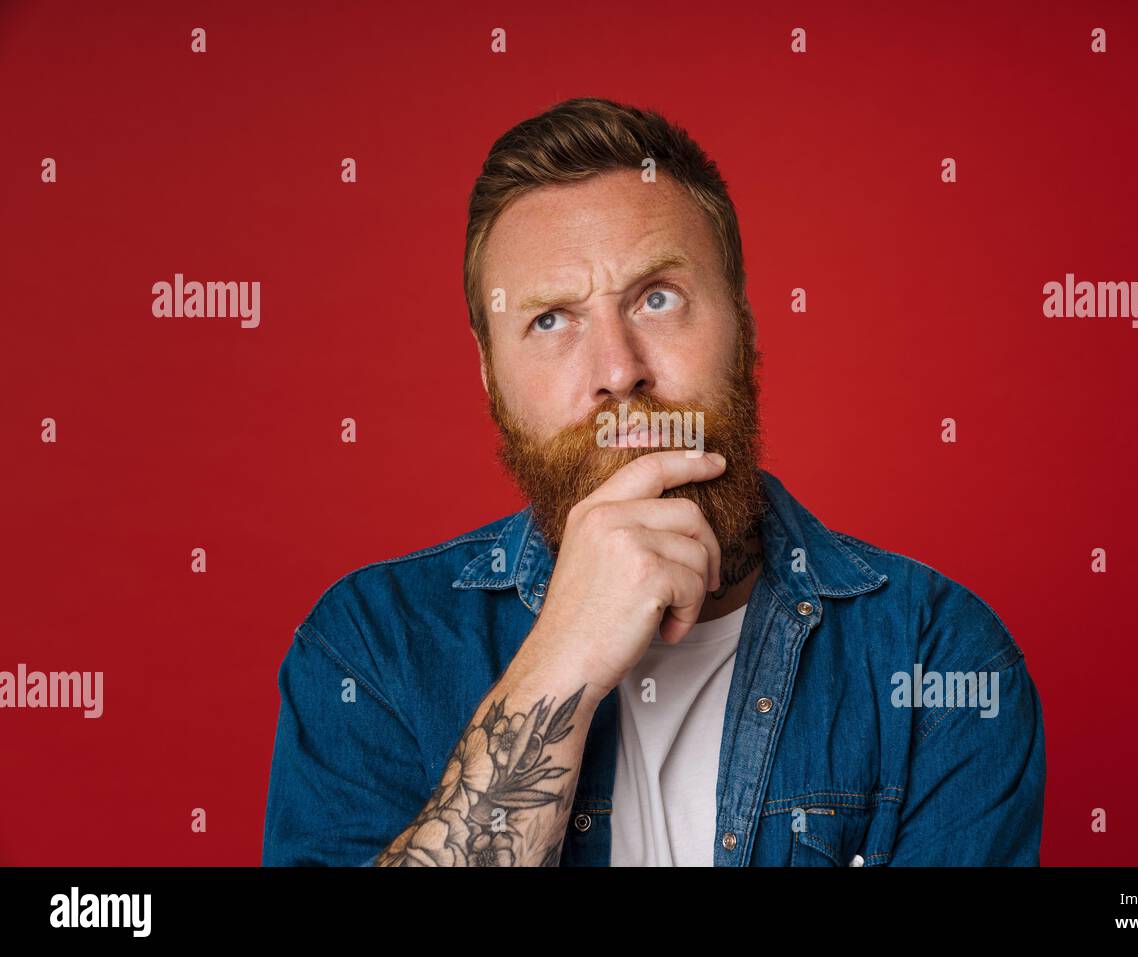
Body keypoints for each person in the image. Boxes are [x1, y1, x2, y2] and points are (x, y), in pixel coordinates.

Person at [261, 97, 1046, 867]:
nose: (619, 372)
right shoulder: (369, 649)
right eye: (551, 319)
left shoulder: (938, 657)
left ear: (744, 325)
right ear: (489, 375)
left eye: (657, 299)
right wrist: (560, 663)